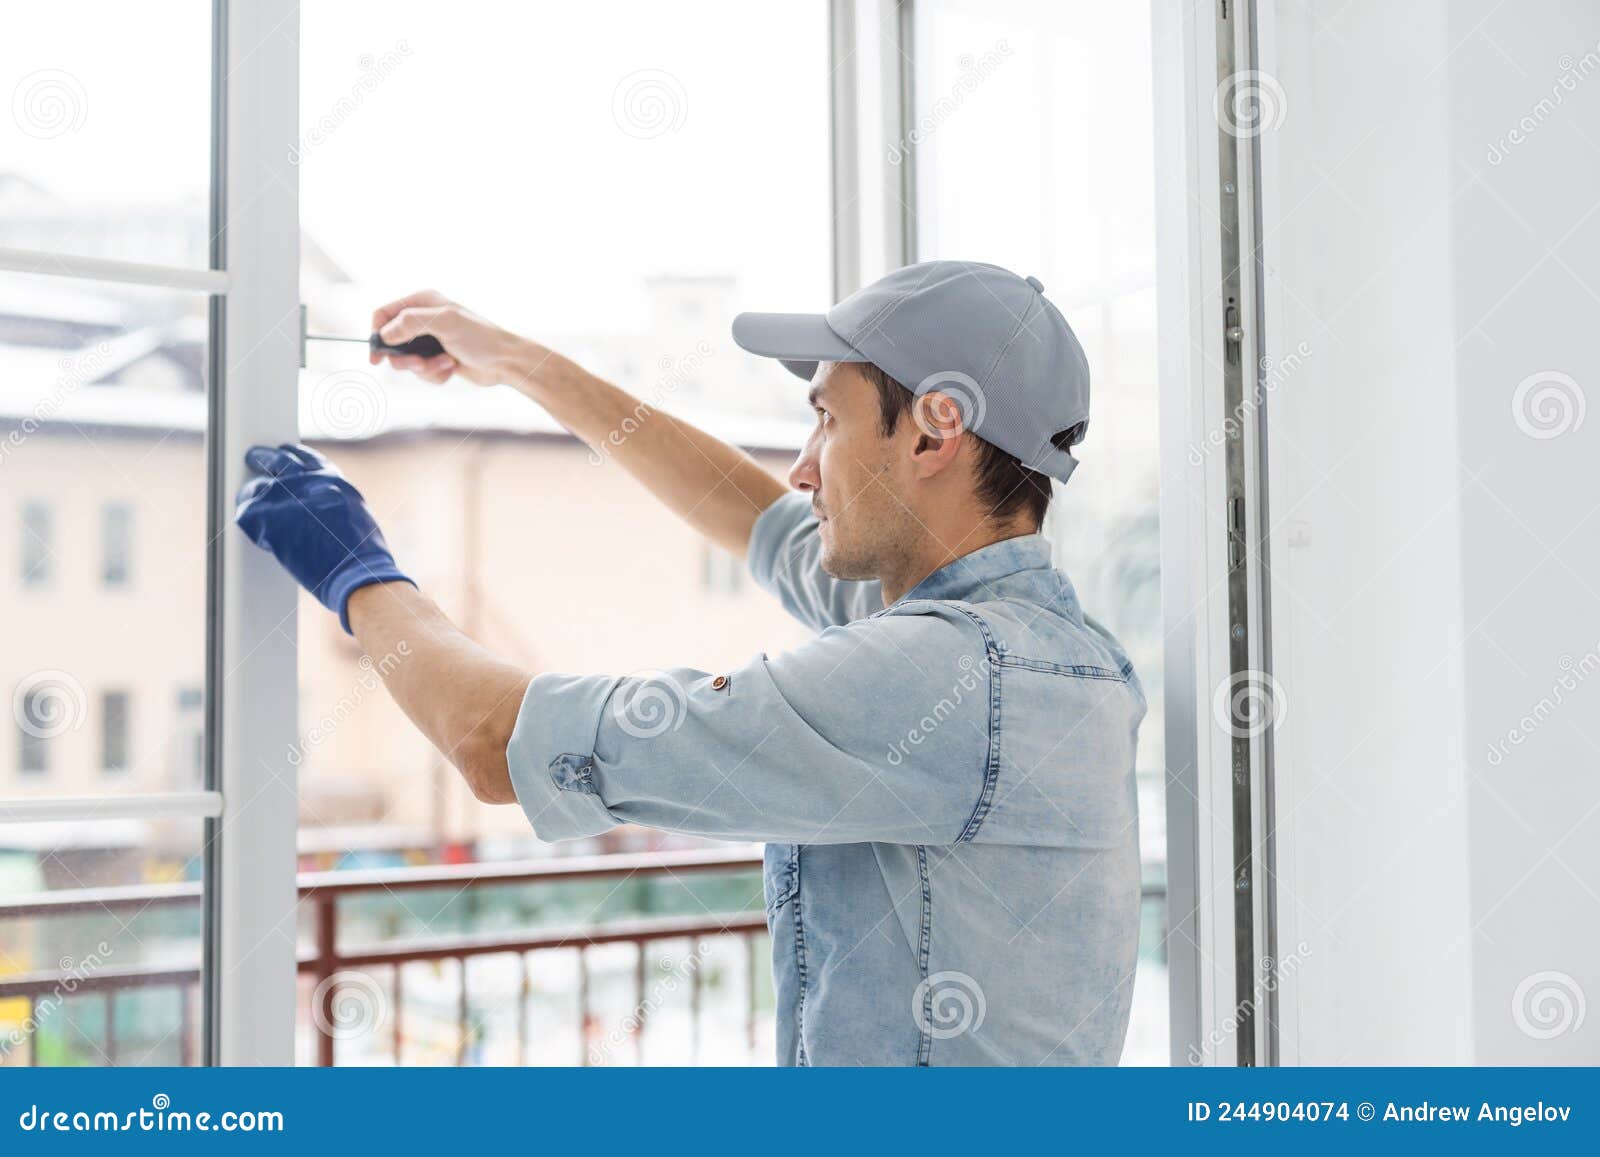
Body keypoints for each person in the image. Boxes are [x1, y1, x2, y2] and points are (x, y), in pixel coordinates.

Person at [235, 260, 1146, 1066]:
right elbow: (746, 511)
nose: (802, 467)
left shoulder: (949, 679)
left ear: (933, 433)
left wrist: (355, 570)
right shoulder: (1027, 647)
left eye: (827, 418)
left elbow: (494, 738)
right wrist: (512, 360)